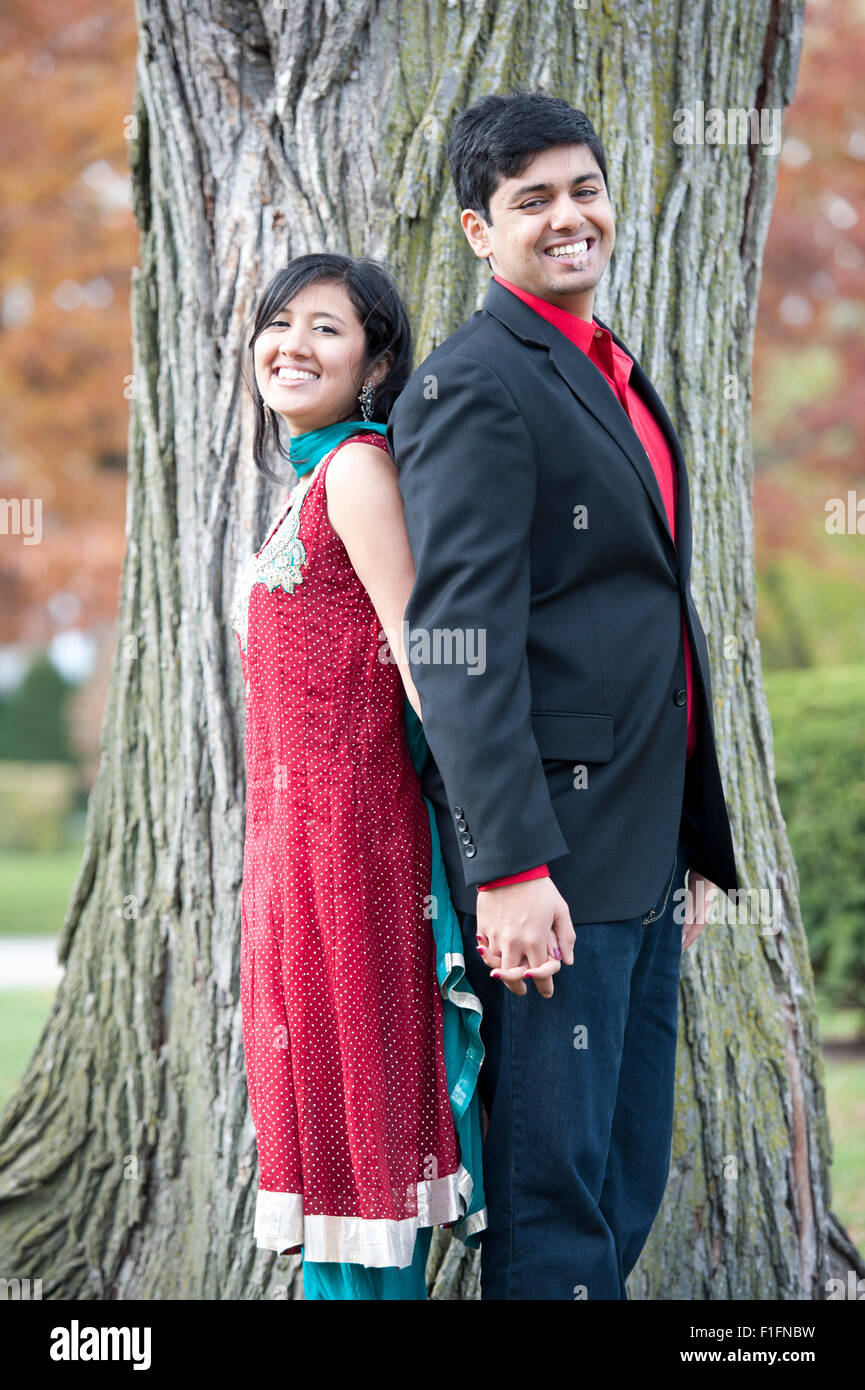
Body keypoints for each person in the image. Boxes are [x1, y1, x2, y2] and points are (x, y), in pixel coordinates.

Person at [386, 91, 740, 1301]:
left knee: (623, 1179)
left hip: (637, 853)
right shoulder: (476, 384)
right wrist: (512, 869)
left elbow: (642, 621)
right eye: (530, 200)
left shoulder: (614, 370)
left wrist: (692, 836)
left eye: (581, 188)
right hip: (551, 857)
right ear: (479, 232)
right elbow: (458, 645)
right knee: (554, 1200)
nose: (567, 216)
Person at [230, 253, 486, 1300]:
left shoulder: (358, 473)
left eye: (326, 328)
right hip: (294, 863)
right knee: (324, 1135)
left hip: (362, 862)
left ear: (377, 361)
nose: (292, 344)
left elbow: (428, 665)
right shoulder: (305, 480)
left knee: (365, 1137)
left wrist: (501, 842)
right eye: (279, 321)